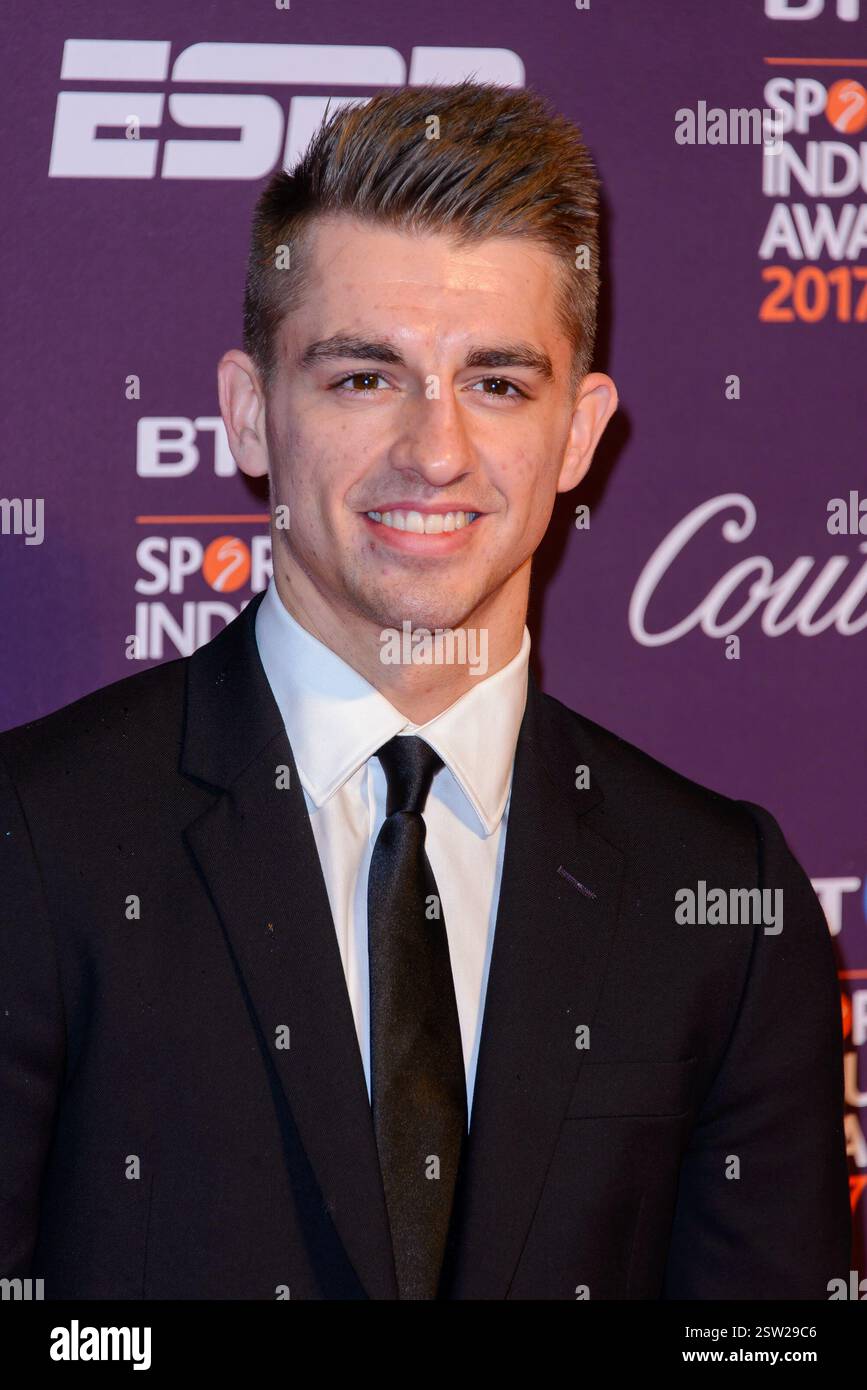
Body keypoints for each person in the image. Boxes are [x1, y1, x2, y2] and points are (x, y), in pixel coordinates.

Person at [0, 80, 850, 1300]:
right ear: (249, 414)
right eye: (364, 377)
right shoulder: (38, 842)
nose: (434, 450)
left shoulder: (725, 899)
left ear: (578, 433)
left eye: (499, 382)